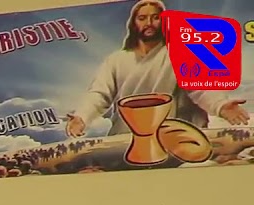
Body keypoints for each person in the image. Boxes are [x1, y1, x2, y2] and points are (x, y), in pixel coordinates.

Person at [66, 0, 248, 138]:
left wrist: (221, 106)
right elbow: (99, 94)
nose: (149, 23)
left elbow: (200, 89)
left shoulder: (181, 52)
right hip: (127, 137)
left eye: (155, 18)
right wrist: (82, 117)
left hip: (176, 137)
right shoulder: (116, 60)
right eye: (142, 18)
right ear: (133, 23)